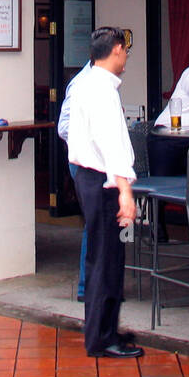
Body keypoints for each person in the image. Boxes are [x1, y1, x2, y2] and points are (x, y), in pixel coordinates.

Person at [66, 27, 142, 358]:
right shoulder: (99, 89)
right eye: (124, 50)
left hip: (94, 177)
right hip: (101, 181)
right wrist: (124, 190)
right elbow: (109, 141)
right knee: (104, 257)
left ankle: (107, 329)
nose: (126, 56)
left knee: (110, 255)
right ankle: (99, 338)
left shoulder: (89, 83)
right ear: (114, 50)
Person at [57, 61, 91, 301]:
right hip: (87, 164)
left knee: (108, 226)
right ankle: (86, 287)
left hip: (100, 166)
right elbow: (64, 127)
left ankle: (102, 284)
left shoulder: (106, 83)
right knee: (95, 223)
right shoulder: (83, 84)